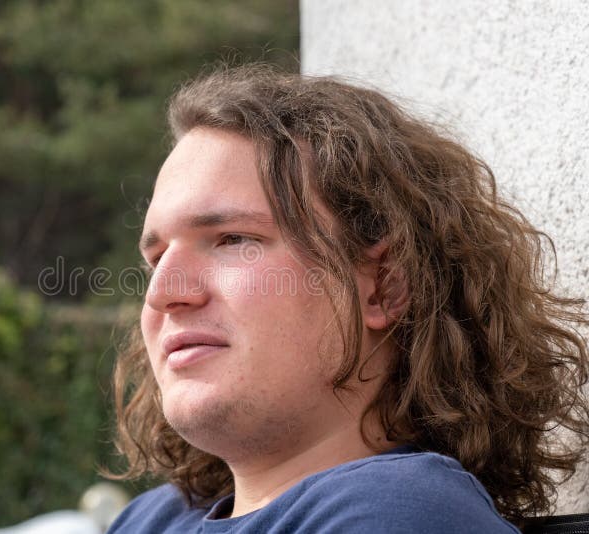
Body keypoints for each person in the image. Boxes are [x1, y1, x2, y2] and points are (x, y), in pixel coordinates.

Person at [105, 64, 589, 533]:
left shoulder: (401, 514)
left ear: (385, 287)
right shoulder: (151, 518)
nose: (164, 294)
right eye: (157, 256)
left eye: (233, 239)